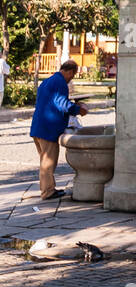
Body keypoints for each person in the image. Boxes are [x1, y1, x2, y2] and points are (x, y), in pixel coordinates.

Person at [29, 59, 87, 201]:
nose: (70, 80)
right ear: (70, 71)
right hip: (48, 129)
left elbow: (51, 102)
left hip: (38, 127)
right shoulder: (60, 82)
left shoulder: (48, 81)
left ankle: (47, 189)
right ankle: (48, 192)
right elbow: (61, 103)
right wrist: (78, 110)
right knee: (49, 162)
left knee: (44, 161)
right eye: (72, 76)